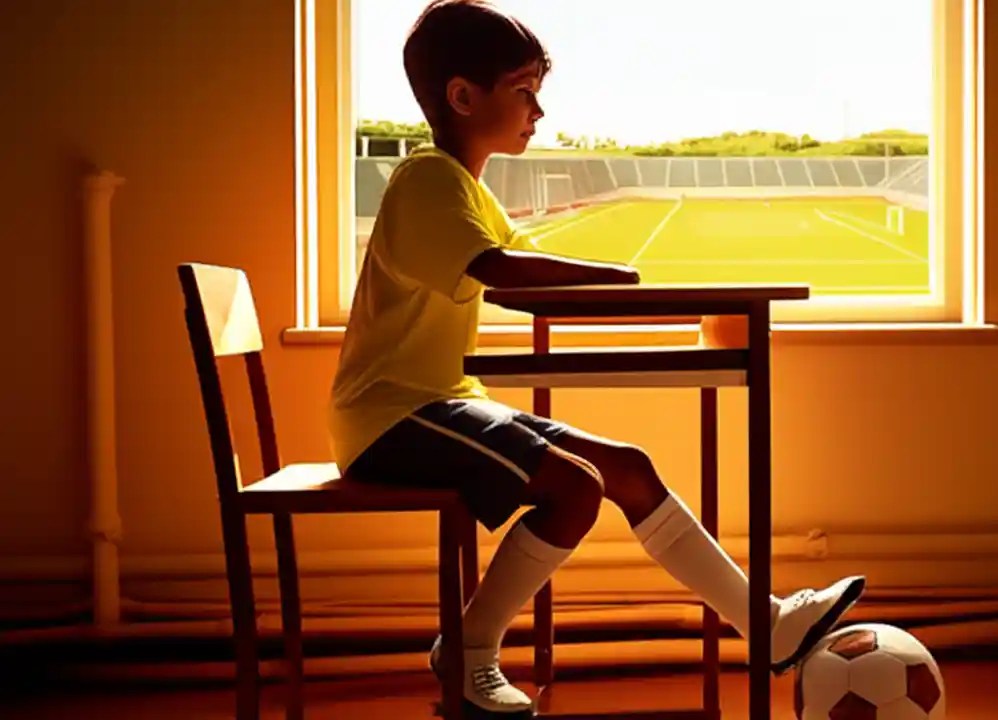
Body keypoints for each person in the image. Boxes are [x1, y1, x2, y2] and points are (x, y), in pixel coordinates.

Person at [328, 1, 866, 715]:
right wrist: (612, 276)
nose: (538, 111)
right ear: (463, 96)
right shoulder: (427, 178)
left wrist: (589, 277)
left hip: (443, 401)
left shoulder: (464, 188)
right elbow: (504, 272)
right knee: (576, 488)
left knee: (627, 468)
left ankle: (763, 624)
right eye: (523, 91)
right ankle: (470, 648)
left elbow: (515, 268)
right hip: (392, 416)